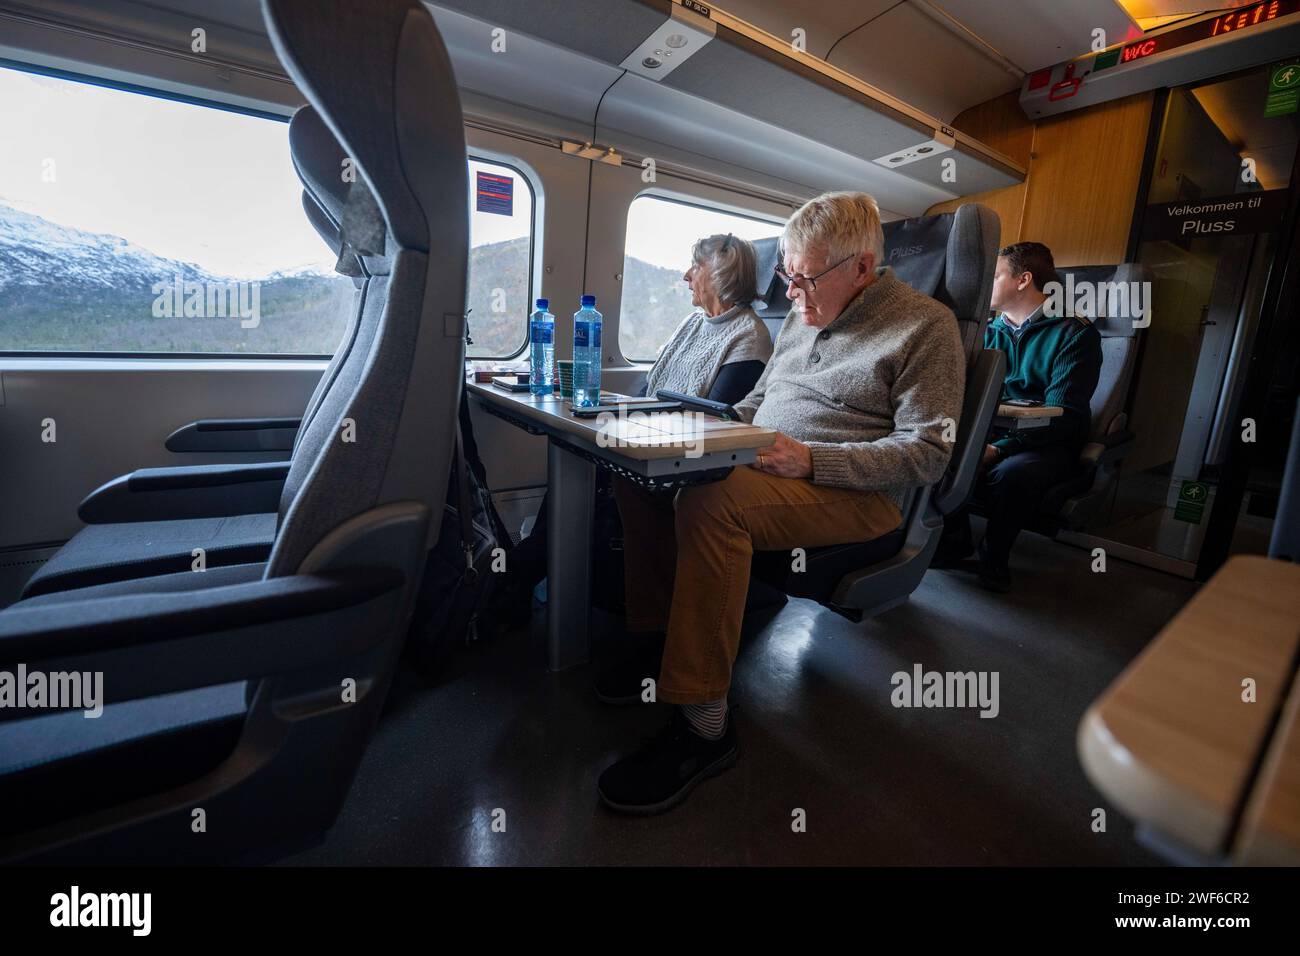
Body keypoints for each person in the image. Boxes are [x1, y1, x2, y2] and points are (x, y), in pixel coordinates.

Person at [597, 191, 966, 815]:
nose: (790, 293)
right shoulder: (801, 316)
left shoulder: (926, 326)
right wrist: (695, 436)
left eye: (802, 278)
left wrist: (814, 460)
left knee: (713, 503)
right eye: (785, 276)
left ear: (860, 266)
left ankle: (705, 727)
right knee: (639, 475)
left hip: (857, 494)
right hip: (768, 467)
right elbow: (754, 406)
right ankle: (659, 640)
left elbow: (929, 454)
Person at [487, 234, 771, 630]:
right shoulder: (691, 323)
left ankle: (517, 577)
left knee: (593, 471)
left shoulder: (749, 336)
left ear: (720, 274)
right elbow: (650, 389)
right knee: (578, 457)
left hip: (684, 459)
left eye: (696, 267)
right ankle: (524, 575)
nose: (687, 275)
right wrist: (611, 414)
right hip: (652, 436)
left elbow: (717, 420)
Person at [934, 241, 1102, 592]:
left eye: (995, 276)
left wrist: (999, 449)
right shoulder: (987, 331)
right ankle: (954, 542)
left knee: (1011, 475)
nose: (987, 286)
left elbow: (1063, 415)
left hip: (1048, 443)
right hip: (990, 432)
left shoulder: (1074, 333)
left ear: (1023, 280)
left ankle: (993, 558)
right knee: (936, 451)